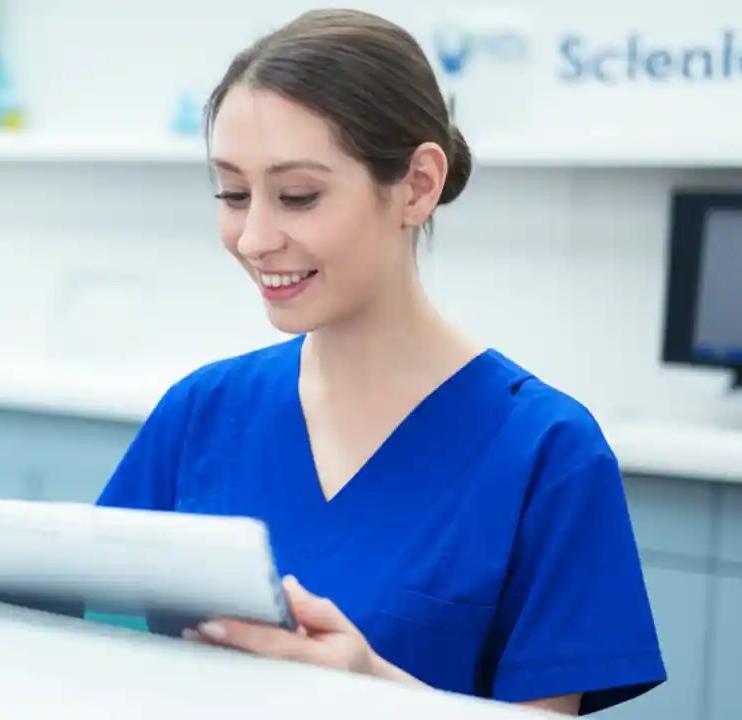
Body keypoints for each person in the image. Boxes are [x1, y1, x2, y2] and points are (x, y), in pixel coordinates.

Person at [94, 8, 666, 717]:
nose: (253, 236)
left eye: (298, 196)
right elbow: (84, 646)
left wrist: (374, 686)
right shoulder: (201, 413)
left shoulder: (547, 454)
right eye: (234, 194)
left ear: (418, 185)